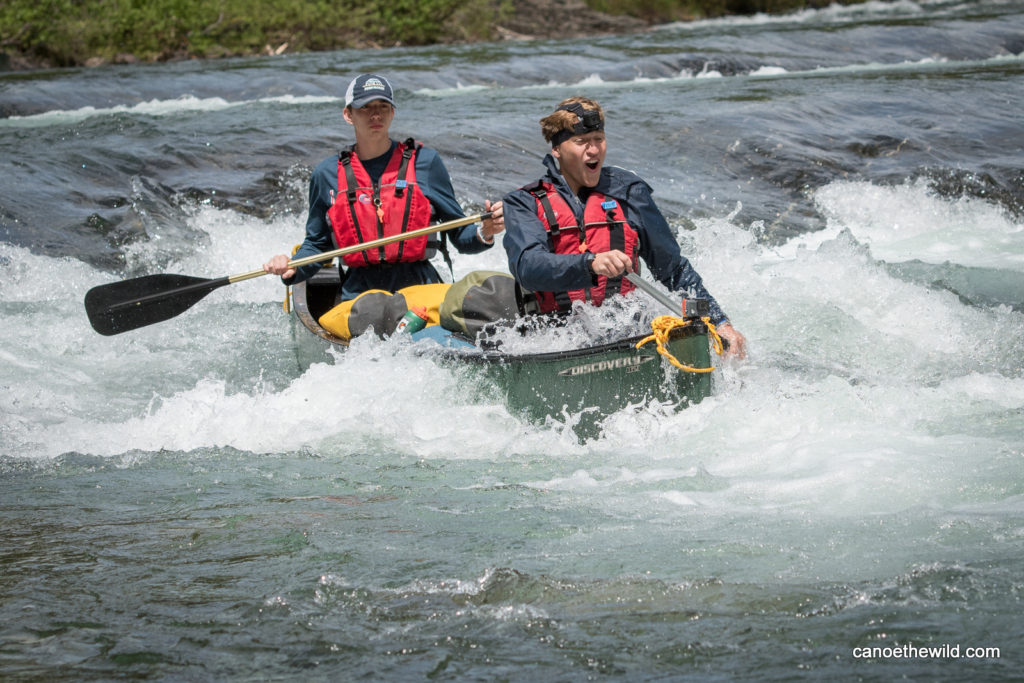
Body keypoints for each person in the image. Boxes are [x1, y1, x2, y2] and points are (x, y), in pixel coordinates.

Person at [502, 96, 747, 358]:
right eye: (581, 141)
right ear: (557, 150)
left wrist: (721, 322)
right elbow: (528, 267)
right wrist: (590, 264)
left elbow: (673, 269)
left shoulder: (629, 192)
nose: (593, 149)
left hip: (625, 330)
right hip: (557, 337)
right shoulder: (523, 202)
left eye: (598, 138)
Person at [264, 73, 504, 300]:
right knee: (371, 312)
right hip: (359, 294)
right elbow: (317, 245)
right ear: (348, 114)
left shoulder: (426, 162)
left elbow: (461, 237)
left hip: (421, 288)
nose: (375, 114)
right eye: (365, 107)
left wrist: (486, 231)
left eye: (383, 107)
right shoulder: (326, 174)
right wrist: (292, 266)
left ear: (392, 113)